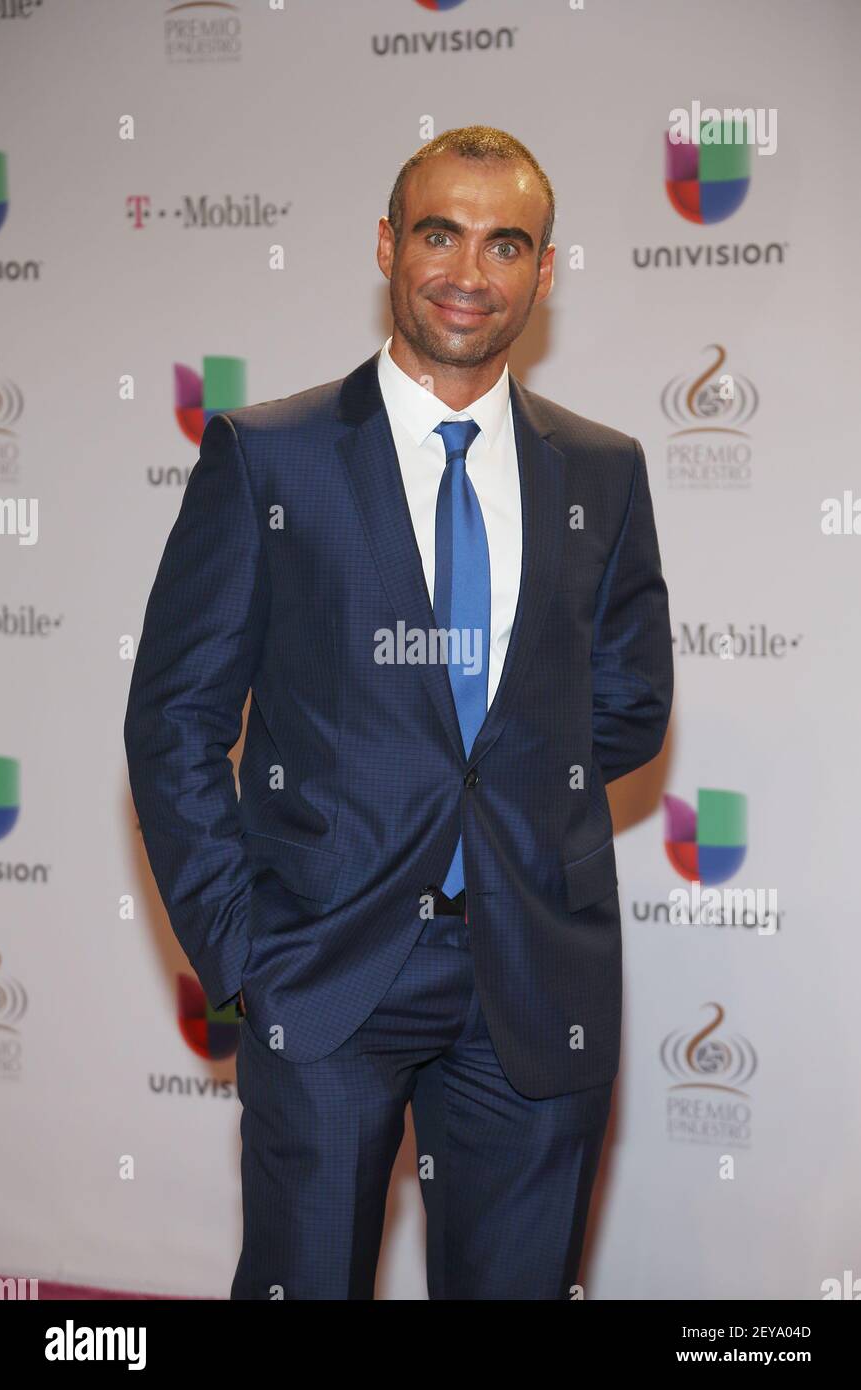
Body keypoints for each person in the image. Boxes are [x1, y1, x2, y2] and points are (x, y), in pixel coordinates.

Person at [124, 125, 673, 1301]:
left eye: (504, 242)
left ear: (544, 268)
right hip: (323, 969)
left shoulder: (601, 471)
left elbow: (627, 704)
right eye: (439, 233)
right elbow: (172, 716)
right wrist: (241, 949)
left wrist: (511, 806)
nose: (467, 272)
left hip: (535, 969)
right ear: (386, 246)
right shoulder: (269, 458)